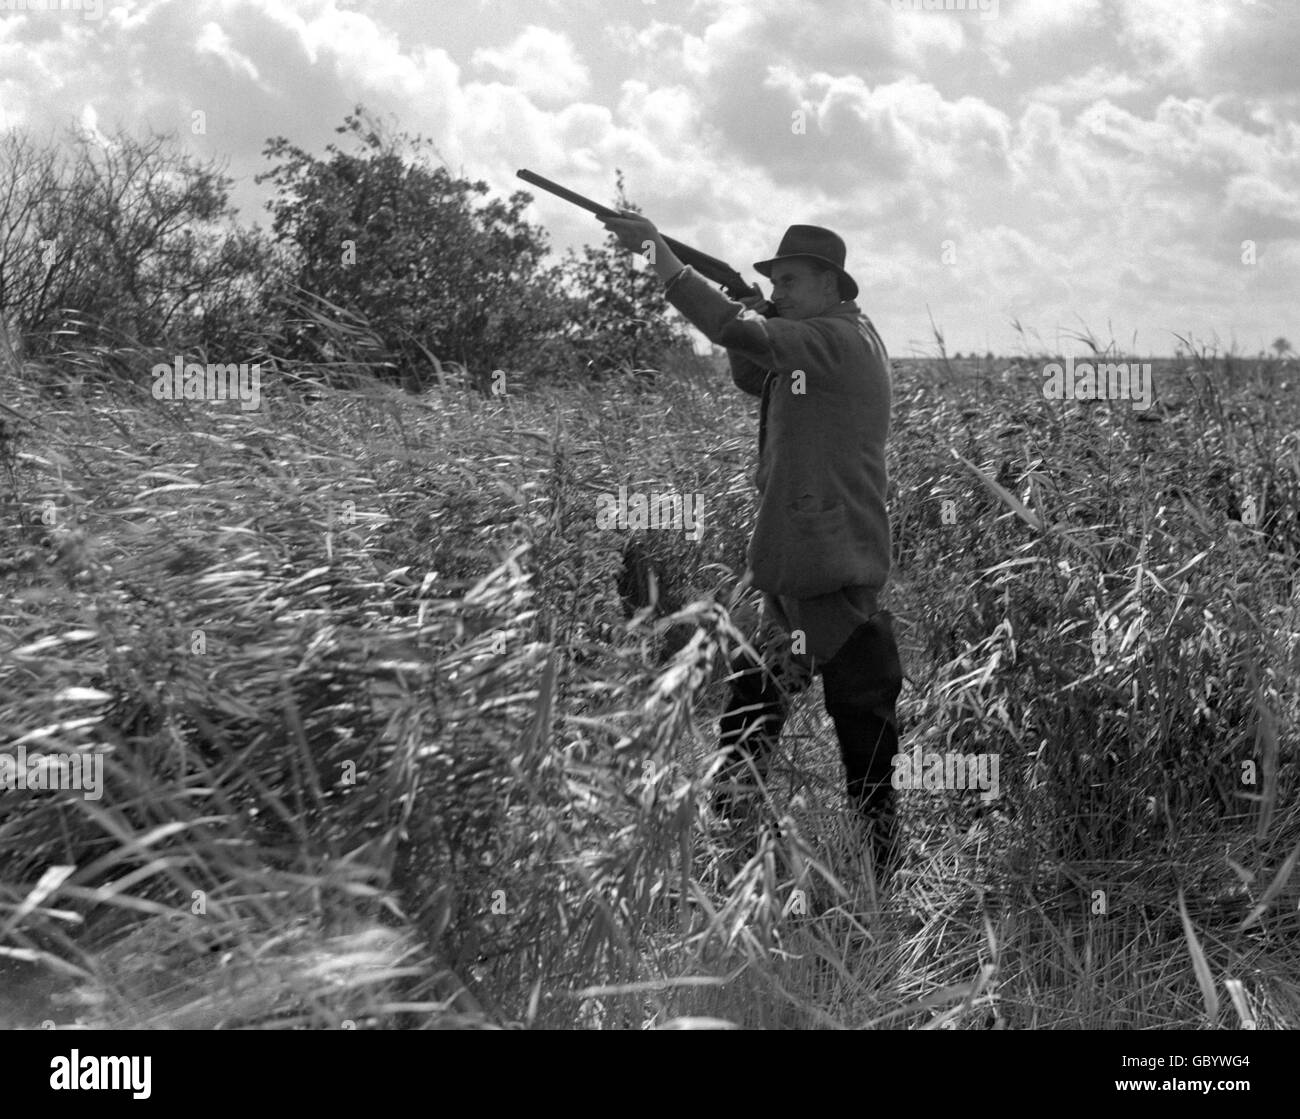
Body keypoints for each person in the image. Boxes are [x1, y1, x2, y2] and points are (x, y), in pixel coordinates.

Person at [600, 211, 905, 878]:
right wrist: (745, 309)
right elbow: (751, 368)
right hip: (798, 570)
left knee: (863, 735)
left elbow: (737, 331)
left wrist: (662, 256)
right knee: (752, 713)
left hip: (831, 572)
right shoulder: (817, 342)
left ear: (832, 284)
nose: (781, 289)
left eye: (791, 279)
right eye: (775, 280)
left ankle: (877, 872)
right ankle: (734, 849)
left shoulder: (837, 340)